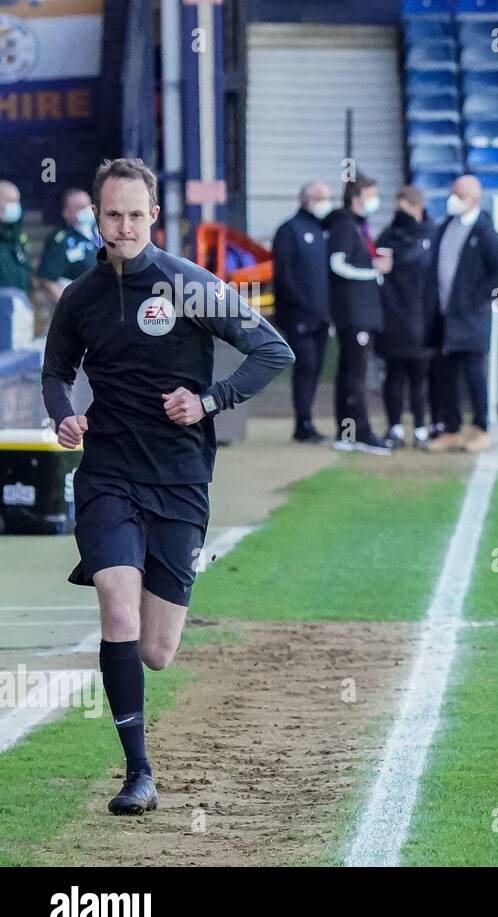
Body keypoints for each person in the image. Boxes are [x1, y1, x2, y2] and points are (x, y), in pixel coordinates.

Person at [41, 158, 294, 815]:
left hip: (181, 481)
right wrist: (63, 414)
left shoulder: (191, 287)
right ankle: (138, 775)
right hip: (106, 478)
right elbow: (55, 371)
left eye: (134, 214)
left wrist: (209, 401)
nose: (122, 226)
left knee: (155, 650)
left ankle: (174, 571)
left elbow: (275, 351)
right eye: (111, 214)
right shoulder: (82, 297)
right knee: (116, 606)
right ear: (95, 216)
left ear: (154, 215)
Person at [426, 175, 498, 453]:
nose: (452, 199)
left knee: (476, 375)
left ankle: (481, 427)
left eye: (458, 195)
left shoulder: (485, 233)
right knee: (445, 374)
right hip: (442, 315)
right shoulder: (445, 228)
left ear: (473, 199)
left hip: (471, 318)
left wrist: (474, 299)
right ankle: (450, 428)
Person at [326, 172, 393, 455]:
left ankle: (347, 431)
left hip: (361, 309)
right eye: (370, 196)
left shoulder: (357, 225)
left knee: (349, 373)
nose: (374, 202)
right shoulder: (344, 226)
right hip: (355, 311)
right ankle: (361, 432)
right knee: (355, 374)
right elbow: (337, 264)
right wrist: (372, 271)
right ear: (356, 197)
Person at [272, 181, 334, 443]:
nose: (325, 202)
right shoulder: (289, 230)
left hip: (321, 316)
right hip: (298, 315)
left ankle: (307, 420)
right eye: (320, 197)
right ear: (305, 199)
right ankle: (303, 422)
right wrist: (299, 306)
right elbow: (284, 275)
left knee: (316, 367)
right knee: (305, 365)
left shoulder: (324, 230)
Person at [376, 185, 436, 449]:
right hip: (393, 317)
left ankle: (422, 428)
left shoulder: (432, 237)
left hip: (423, 317)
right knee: (395, 374)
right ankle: (395, 427)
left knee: (419, 377)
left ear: (416, 207)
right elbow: (379, 274)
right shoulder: (387, 237)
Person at [35, 188, 100, 304]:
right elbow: (47, 280)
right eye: (80, 207)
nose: (87, 210)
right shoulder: (60, 239)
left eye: (88, 205)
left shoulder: (103, 232)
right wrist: (69, 308)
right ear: (66, 212)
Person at [0, 180, 30, 296]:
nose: (16, 206)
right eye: (11, 201)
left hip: (19, 302)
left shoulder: (15, 233)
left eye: (17, 201)